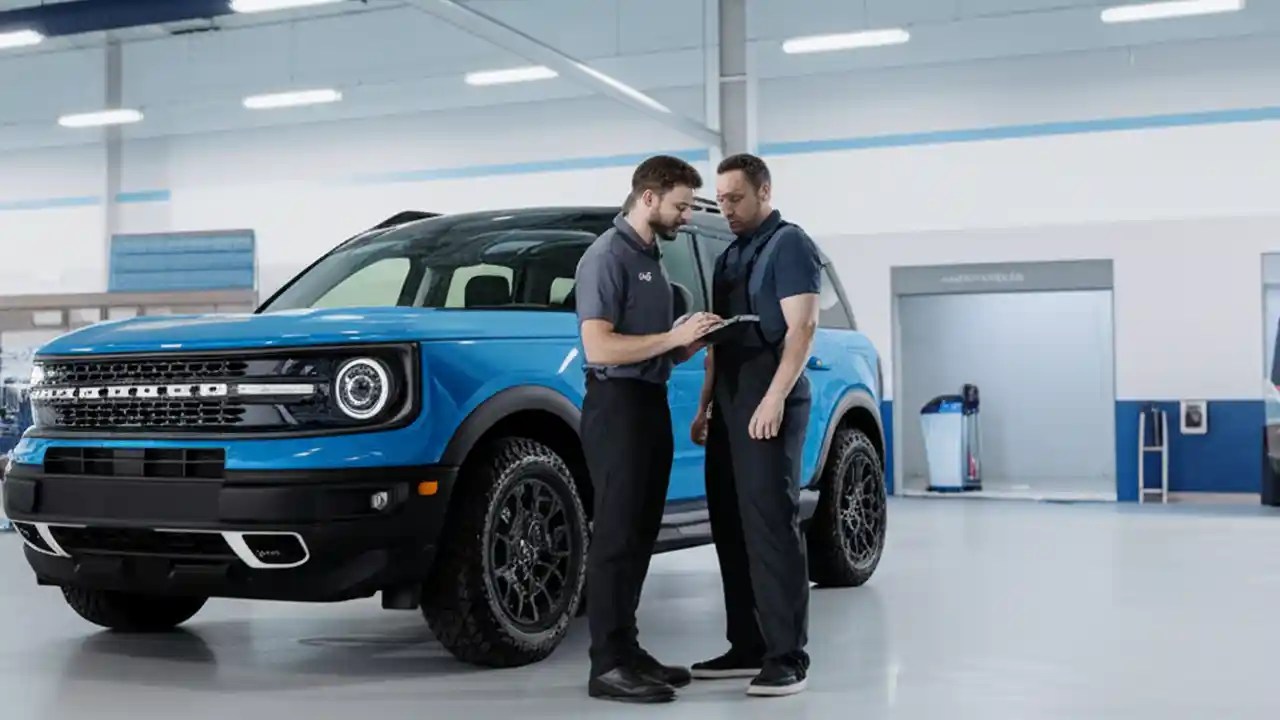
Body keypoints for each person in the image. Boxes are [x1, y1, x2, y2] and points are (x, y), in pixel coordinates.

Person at [575, 154, 721, 703]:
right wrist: (667, 340)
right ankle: (606, 665)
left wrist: (692, 340)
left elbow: (651, 348)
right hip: (616, 407)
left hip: (648, 400)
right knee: (615, 537)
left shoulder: (651, 257)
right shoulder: (606, 256)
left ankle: (628, 650)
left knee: (639, 535)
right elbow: (599, 345)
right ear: (650, 197)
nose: (687, 216)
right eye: (682, 206)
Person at [689, 152, 822, 697]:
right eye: (720, 200)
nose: (727, 209)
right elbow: (717, 339)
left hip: (770, 401)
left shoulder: (789, 245)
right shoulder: (728, 255)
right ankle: (745, 643)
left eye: (735, 198)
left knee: (770, 525)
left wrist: (773, 399)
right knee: (730, 523)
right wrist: (704, 406)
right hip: (730, 402)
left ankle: (787, 655)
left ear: (764, 191)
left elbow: (804, 325)